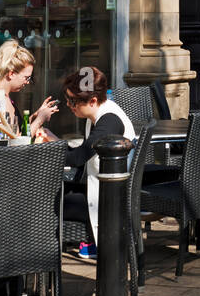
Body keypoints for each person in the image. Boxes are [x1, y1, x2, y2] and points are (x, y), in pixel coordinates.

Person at [34, 66, 135, 261]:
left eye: (73, 101)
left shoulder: (109, 122)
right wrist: (54, 139)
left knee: (43, 201)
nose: (69, 105)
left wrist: (51, 146)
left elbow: (78, 158)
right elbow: (83, 154)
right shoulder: (101, 114)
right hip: (104, 191)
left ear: (93, 100)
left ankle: (39, 257)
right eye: (68, 99)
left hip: (107, 201)